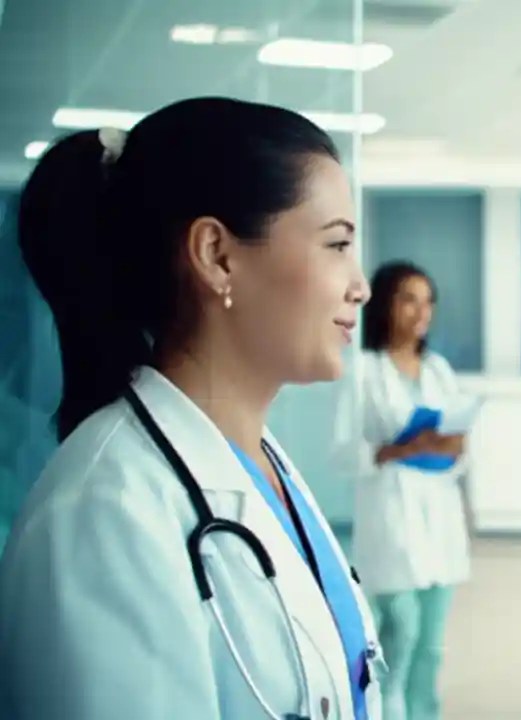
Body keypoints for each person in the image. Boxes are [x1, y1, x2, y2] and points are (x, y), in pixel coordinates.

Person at [0, 97, 382, 719]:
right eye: (337, 245)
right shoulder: (106, 511)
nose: (360, 284)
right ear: (216, 255)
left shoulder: (261, 468)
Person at [336, 261, 472, 720]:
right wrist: (397, 451)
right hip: (391, 521)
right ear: (386, 305)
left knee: (431, 648)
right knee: (401, 634)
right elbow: (342, 453)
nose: (421, 311)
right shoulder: (364, 370)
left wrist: (454, 447)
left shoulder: (438, 370)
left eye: (428, 300)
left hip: (440, 523)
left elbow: (460, 453)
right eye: (409, 299)